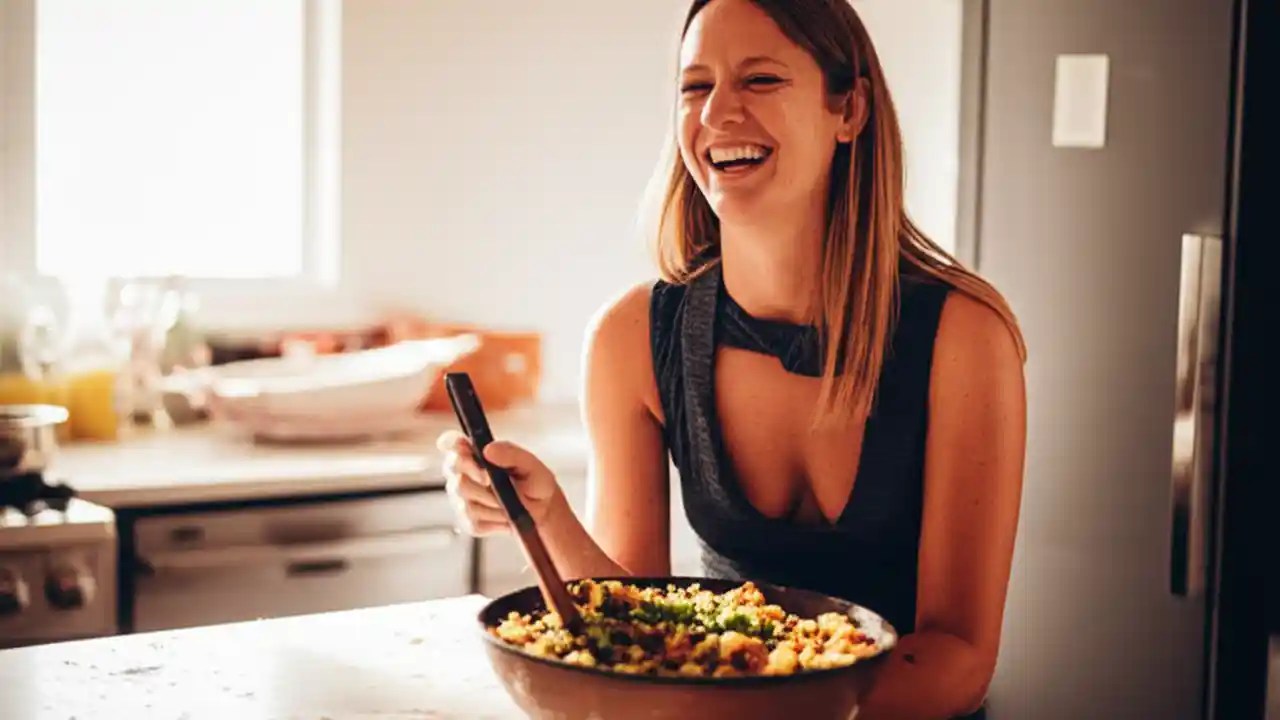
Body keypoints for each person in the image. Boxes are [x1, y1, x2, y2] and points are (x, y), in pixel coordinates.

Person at [437, 0, 1027, 717]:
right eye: (695, 86)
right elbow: (635, 619)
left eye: (760, 81)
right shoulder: (632, 337)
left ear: (850, 110)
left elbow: (958, 654)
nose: (717, 113)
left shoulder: (964, 337)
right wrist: (547, 515)